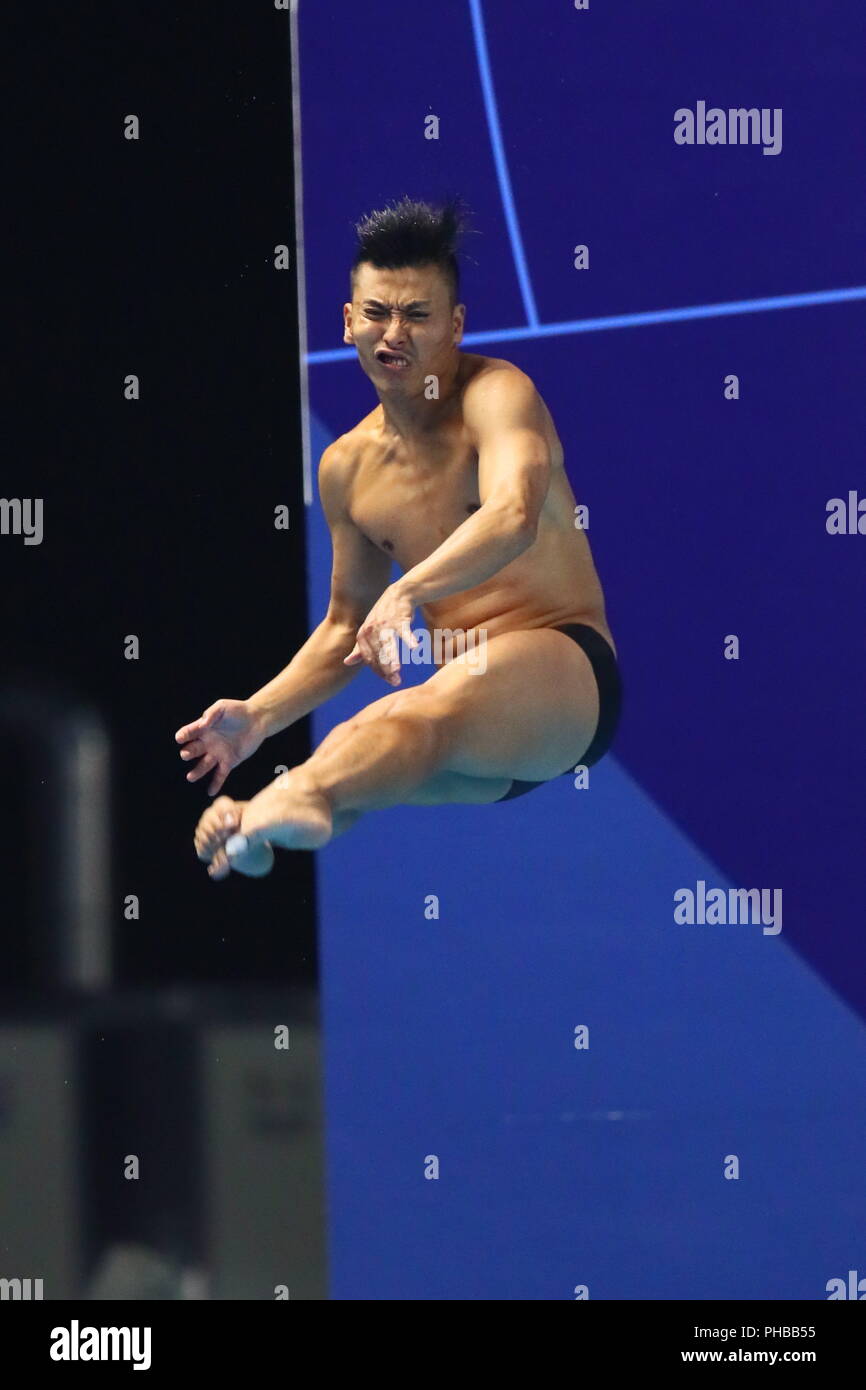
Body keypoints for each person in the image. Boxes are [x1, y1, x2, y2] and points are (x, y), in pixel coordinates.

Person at [176, 197, 622, 880]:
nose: (396, 333)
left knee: (416, 711)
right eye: (379, 312)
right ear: (349, 321)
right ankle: (254, 833)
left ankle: (285, 799)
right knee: (361, 749)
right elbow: (344, 629)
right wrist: (259, 717)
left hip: (567, 671)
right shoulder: (346, 467)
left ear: (454, 325)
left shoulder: (497, 395)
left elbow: (513, 516)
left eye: (418, 315)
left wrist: (407, 591)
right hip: (478, 717)